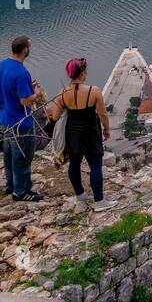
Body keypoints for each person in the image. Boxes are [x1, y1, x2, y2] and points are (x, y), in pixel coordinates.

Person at [47, 57, 113, 210]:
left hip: (72, 133)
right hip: (90, 132)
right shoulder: (94, 91)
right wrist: (107, 129)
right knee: (95, 166)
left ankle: (81, 196)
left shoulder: (63, 93)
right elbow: (103, 114)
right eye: (85, 70)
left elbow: (55, 117)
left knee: (74, 164)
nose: (86, 72)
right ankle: (99, 201)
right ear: (82, 72)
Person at [0, 35, 47, 202]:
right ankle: (22, 191)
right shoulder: (21, 72)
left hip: (4, 118)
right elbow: (24, 100)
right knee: (23, 157)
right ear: (25, 50)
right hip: (20, 122)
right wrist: (36, 93)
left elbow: (3, 88)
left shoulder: (0, 66)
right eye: (29, 47)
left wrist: (26, 89)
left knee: (9, 155)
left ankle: (11, 185)